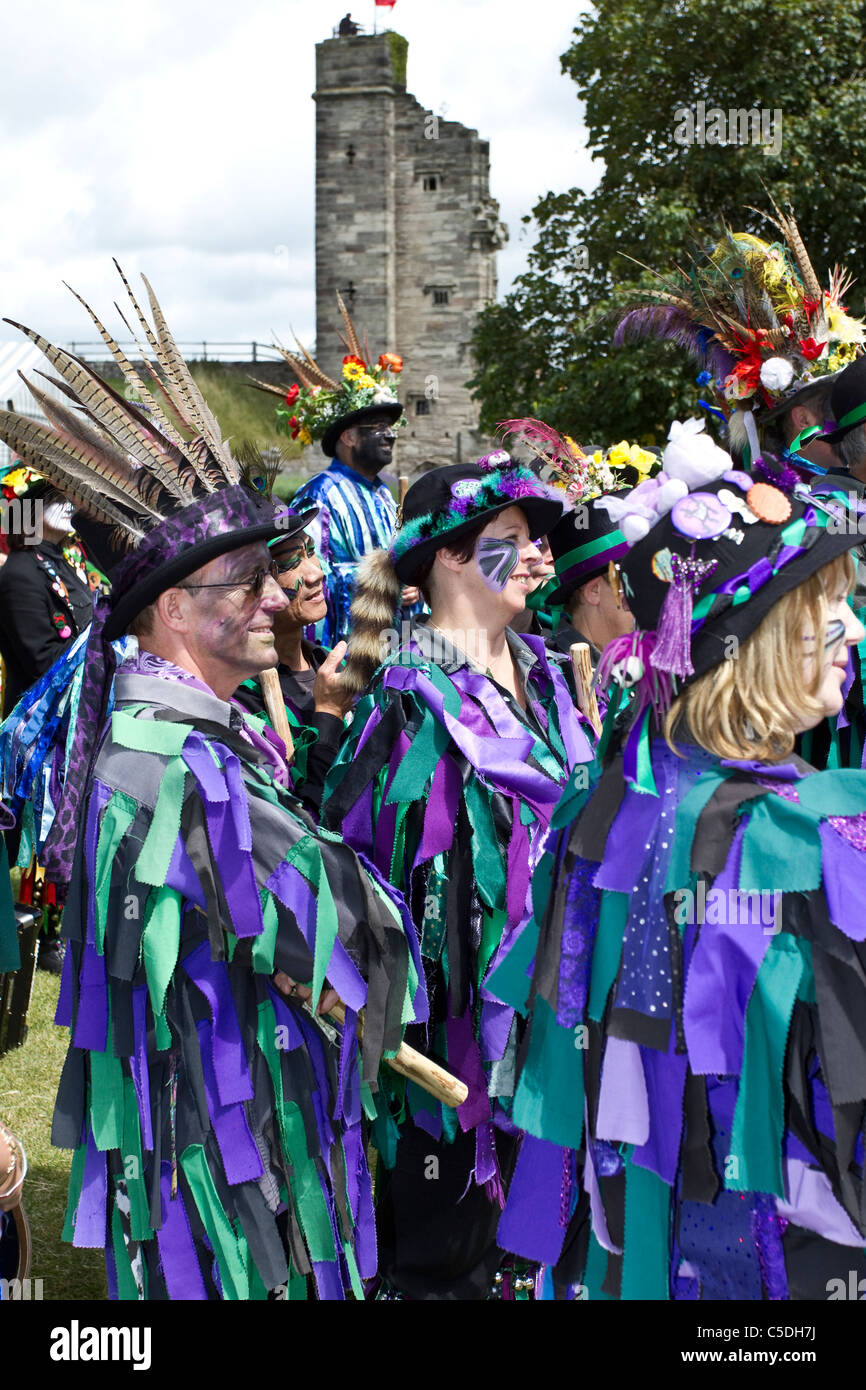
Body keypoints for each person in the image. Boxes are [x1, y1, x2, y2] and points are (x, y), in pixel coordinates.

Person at [0, 272, 425, 1300]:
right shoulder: (173, 759)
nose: (279, 598)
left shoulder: (181, 737)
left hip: (231, 1139)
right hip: (225, 1165)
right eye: (249, 583)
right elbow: (352, 928)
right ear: (174, 608)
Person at [488, 427, 866, 1300]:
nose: (852, 625)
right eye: (824, 607)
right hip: (800, 1256)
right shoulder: (796, 840)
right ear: (757, 644)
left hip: (651, 1246)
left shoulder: (614, 801)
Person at [322, 452, 593, 1299]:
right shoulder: (404, 694)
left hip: (550, 1004)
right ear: (448, 554)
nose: (541, 557)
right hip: (449, 1029)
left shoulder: (550, 673)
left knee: (543, 1227)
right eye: (513, 538)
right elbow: (359, 867)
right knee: (452, 1248)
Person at [256, 293, 416, 646]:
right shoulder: (320, 496)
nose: (390, 434)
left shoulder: (384, 496)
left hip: (396, 651)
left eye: (391, 426)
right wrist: (388, 580)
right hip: (346, 656)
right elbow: (307, 580)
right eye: (376, 426)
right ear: (347, 436)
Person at [233, 506, 352, 814]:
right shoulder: (242, 700)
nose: (316, 572)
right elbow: (303, 821)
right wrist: (328, 714)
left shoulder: (331, 666)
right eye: (288, 562)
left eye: (311, 551)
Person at [0, 482, 93, 716]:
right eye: (58, 499)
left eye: (71, 499)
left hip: (75, 703)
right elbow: (43, 662)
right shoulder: (20, 572)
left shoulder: (60, 562)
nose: (69, 506)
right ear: (33, 511)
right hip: (41, 722)